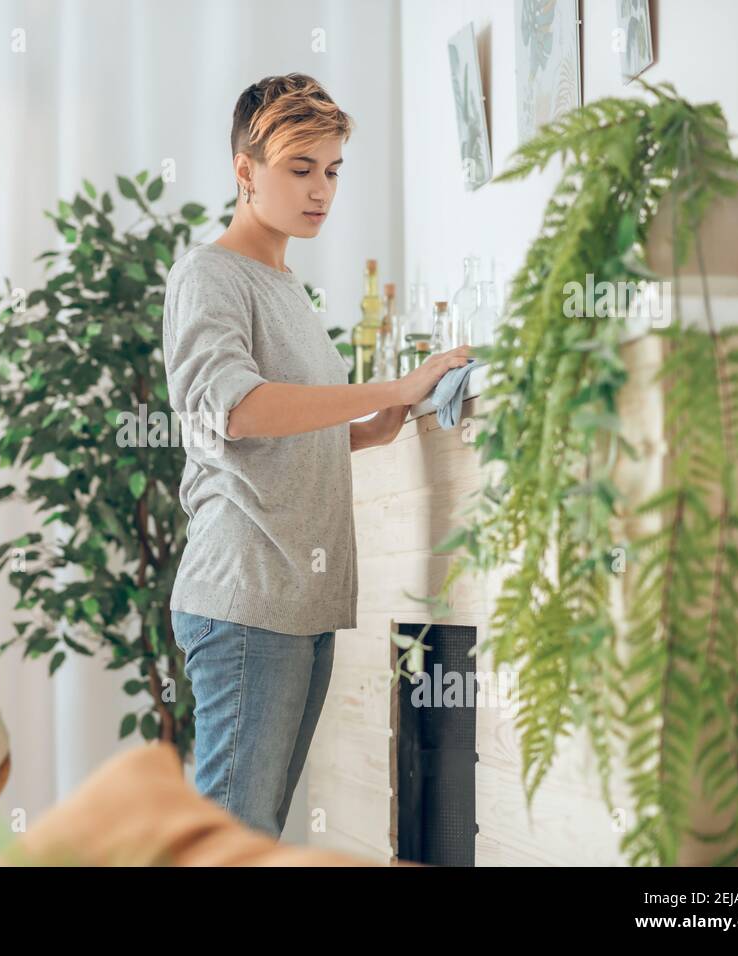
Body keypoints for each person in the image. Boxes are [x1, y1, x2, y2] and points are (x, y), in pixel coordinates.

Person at [163, 73, 470, 839]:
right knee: (233, 840)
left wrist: (384, 417)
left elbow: (301, 429)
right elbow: (235, 408)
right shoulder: (210, 275)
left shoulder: (288, 287)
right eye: (300, 168)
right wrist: (386, 384)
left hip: (297, 600)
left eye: (332, 170)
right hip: (247, 593)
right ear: (246, 171)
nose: (320, 190)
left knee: (255, 834)